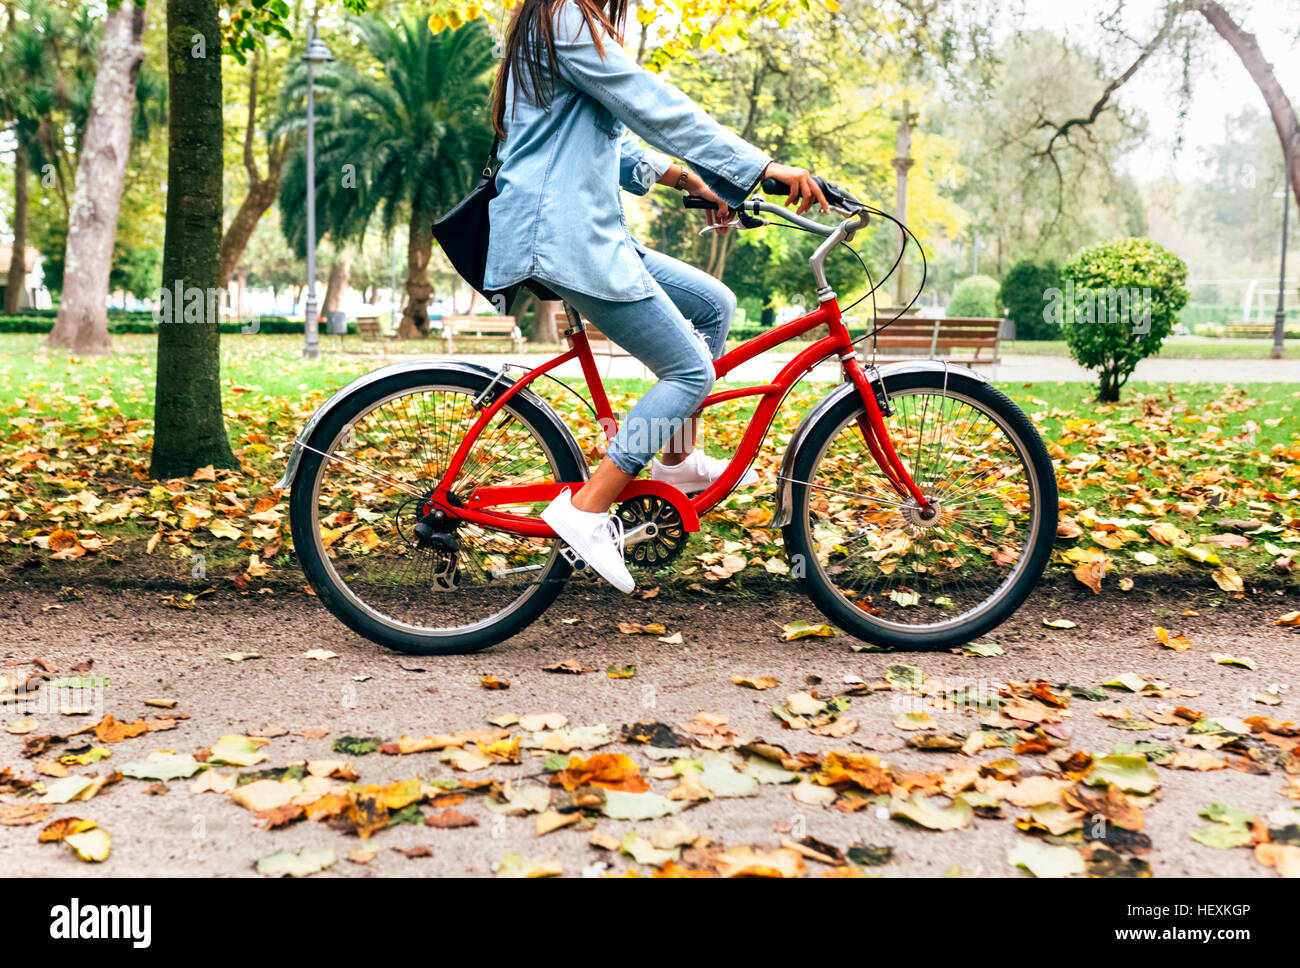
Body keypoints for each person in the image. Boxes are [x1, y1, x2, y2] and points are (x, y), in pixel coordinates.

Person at [484, 0, 828, 593]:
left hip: (580, 228)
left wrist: (686, 179)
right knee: (691, 373)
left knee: (712, 305)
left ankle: (678, 461)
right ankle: (588, 511)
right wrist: (762, 167)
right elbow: (648, 102)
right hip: (564, 235)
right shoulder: (565, 15)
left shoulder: (548, 22)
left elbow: (600, 141)